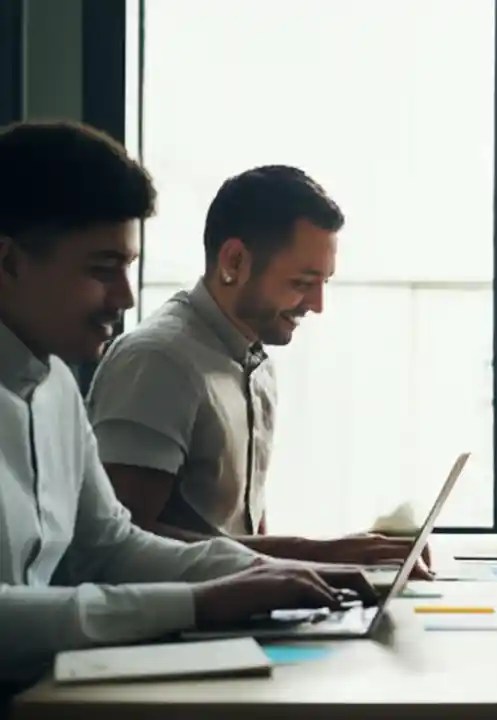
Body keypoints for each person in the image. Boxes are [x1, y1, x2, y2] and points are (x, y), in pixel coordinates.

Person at [0, 120, 370, 692]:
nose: (124, 298)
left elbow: (112, 546)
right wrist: (199, 603)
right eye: (102, 270)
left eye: (127, 267)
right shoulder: (157, 357)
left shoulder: (55, 390)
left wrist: (272, 573)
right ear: (9, 262)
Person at [86, 165, 427, 568]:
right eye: (302, 283)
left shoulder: (255, 362)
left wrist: (315, 566)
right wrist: (314, 555)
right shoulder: (157, 361)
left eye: (324, 283)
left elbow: (242, 538)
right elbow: (121, 544)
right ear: (234, 260)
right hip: (173, 625)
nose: (317, 305)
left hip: (234, 613)